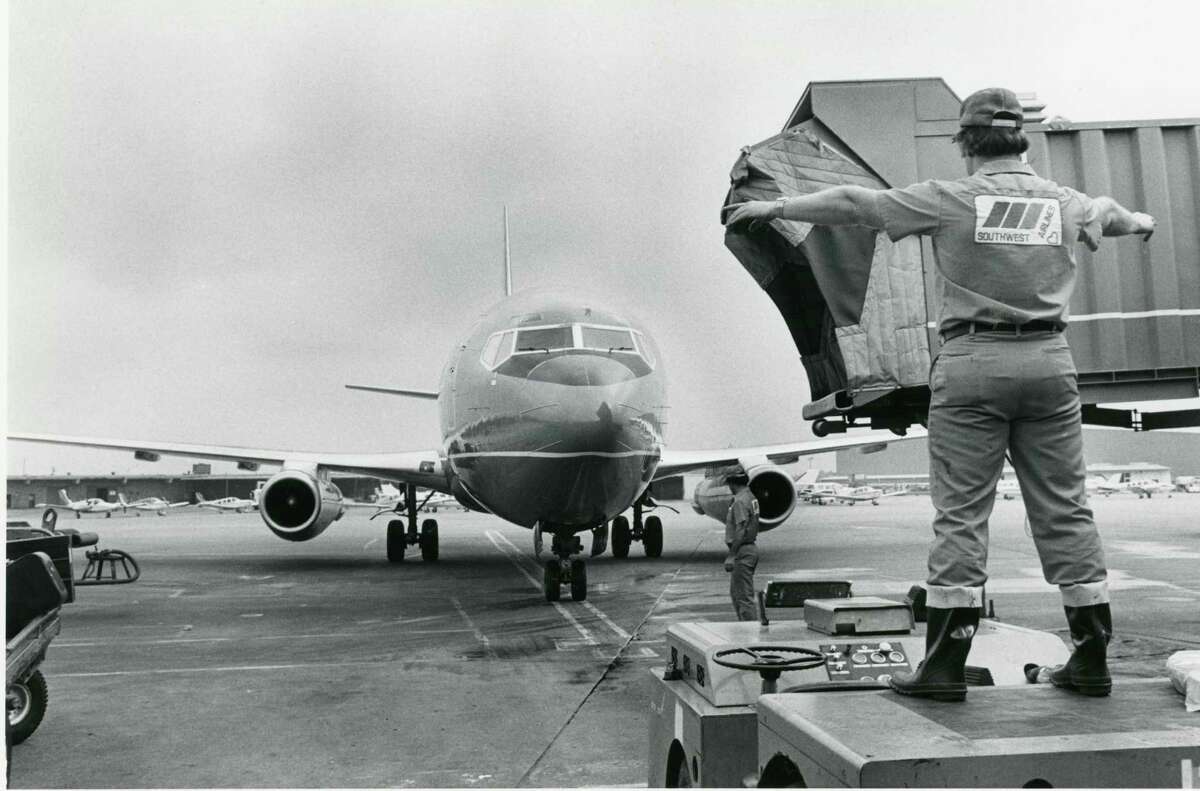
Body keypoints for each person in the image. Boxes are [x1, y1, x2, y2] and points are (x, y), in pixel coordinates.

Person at [724, 87, 1155, 701]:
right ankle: (1090, 658)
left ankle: (946, 664)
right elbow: (1110, 214)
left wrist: (776, 208)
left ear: (967, 142)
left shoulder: (951, 199)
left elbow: (855, 203)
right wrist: (1141, 221)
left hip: (973, 363)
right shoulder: (1064, 204)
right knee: (1065, 509)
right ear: (1022, 139)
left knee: (962, 516)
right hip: (1049, 363)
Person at [724, 468, 760, 621]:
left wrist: (731, 555)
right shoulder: (751, 497)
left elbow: (741, 529)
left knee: (743, 597)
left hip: (742, 551)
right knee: (738, 594)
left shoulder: (739, 501)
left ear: (733, 484)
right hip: (749, 548)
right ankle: (746, 627)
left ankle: (749, 633)